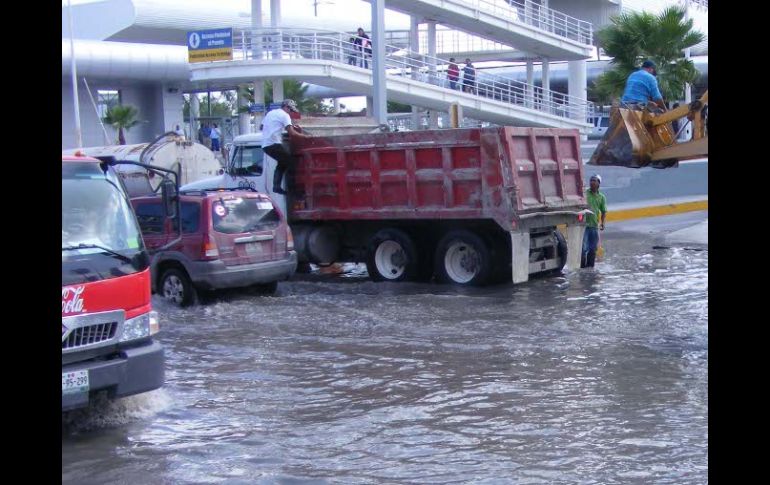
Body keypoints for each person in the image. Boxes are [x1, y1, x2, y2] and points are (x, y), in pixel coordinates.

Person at [261, 99, 312, 195]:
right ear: (286, 107)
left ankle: (276, 186)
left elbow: (262, 126)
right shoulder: (285, 115)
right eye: (291, 110)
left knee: (283, 162)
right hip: (273, 144)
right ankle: (293, 191)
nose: (291, 112)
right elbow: (292, 133)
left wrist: (281, 128)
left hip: (265, 145)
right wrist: (306, 137)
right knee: (292, 163)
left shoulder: (271, 113)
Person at [582, 174, 607, 269]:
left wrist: (603, 223)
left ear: (598, 183)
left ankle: (590, 268)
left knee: (593, 249)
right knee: (583, 249)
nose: (592, 182)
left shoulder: (601, 197)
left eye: (594, 180)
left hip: (594, 226)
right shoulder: (585, 194)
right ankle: (582, 268)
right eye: (591, 180)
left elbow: (604, 212)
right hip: (584, 226)